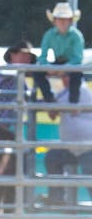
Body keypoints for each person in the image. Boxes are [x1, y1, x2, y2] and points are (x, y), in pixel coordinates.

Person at [43, 72, 92, 206]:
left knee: (90, 179)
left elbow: (54, 107)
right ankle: (57, 198)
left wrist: (44, 88)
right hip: (72, 147)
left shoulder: (81, 90)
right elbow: (52, 112)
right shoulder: (66, 92)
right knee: (52, 158)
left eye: (68, 76)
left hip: (88, 147)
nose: (65, 79)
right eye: (63, 76)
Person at [32, 2, 85, 104]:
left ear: (70, 21)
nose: (62, 22)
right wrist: (48, 67)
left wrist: (65, 68)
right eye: (59, 19)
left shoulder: (76, 36)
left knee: (77, 74)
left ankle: (73, 104)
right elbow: (42, 57)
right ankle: (49, 99)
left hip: (71, 66)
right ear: (54, 21)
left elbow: (77, 58)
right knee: (37, 72)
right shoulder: (49, 35)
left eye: (65, 19)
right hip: (58, 64)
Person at [0, 40, 36, 127]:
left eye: (29, 57)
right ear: (12, 55)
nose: (27, 59)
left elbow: (28, 96)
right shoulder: (7, 71)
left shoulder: (17, 75)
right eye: (23, 55)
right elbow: (27, 96)